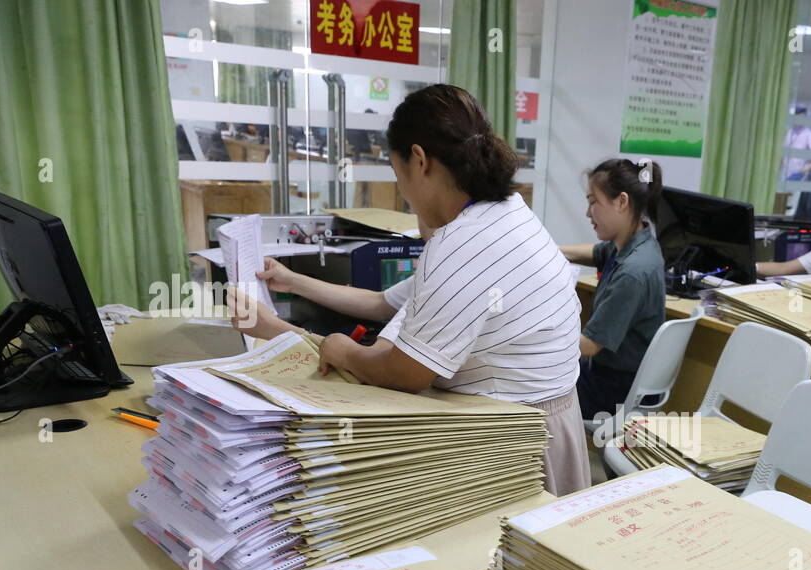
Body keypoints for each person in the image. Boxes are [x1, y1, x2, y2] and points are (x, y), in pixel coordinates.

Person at [227, 84, 590, 496]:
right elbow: (384, 303)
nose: (407, 197)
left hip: (514, 438)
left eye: (399, 177)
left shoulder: (462, 246)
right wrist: (293, 281)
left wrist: (338, 346)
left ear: (419, 160)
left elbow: (405, 374)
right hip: (554, 419)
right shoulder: (507, 214)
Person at [559, 158, 666, 421]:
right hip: (615, 377)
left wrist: (534, 337)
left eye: (593, 202)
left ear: (621, 202)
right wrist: (548, 250)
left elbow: (587, 346)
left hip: (613, 389)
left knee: (530, 388)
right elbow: (595, 253)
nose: (588, 213)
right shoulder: (637, 244)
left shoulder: (632, 272)